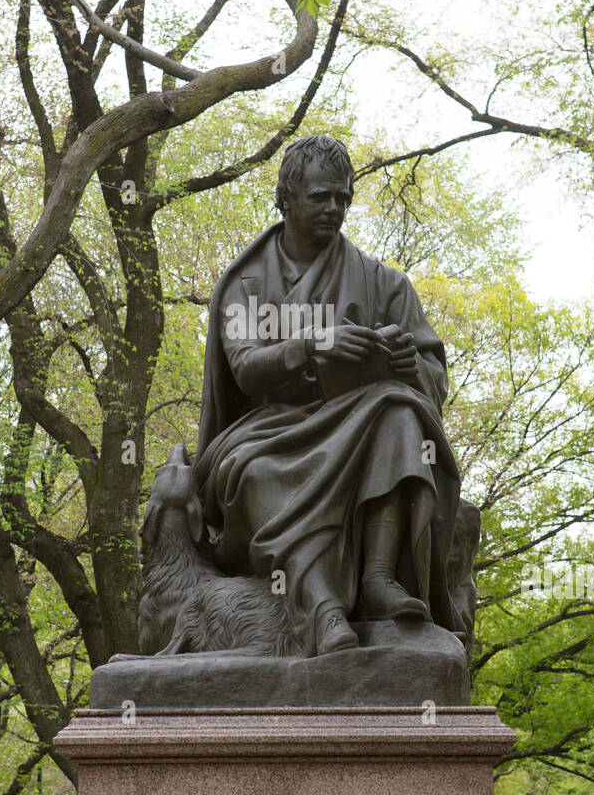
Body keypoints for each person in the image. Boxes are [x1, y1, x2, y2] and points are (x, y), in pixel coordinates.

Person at [194, 134, 463, 657]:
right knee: (258, 474)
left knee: (400, 411)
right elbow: (247, 368)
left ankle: (379, 579)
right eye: (321, 197)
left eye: (343, 198)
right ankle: (322, 609)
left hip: (358, 422)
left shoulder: (385, 283)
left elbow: (435, 377)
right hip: (267, 434)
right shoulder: (245, 282)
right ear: (286, 198)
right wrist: (314, 345)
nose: (334, 209)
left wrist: (411, 369)